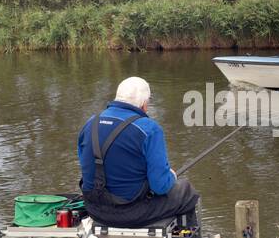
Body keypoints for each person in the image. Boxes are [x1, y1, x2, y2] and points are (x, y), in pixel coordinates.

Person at [77, 76, 200, 228]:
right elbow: (160, 186)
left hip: (94, 209)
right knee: (186, 192)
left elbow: (85, 165)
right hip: (131, 212)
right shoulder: (149, 129)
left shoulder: (90, 124)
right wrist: (171, 176)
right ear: (144, 104)